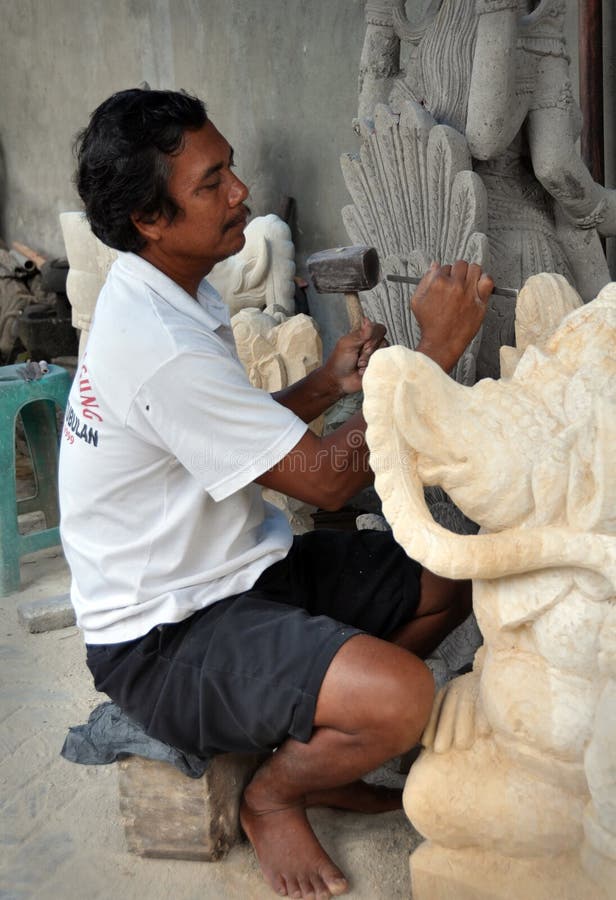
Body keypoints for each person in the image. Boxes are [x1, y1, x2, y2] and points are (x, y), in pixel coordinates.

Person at [59, 87, 493, 900]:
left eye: (231, 169)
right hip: (167, 635)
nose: (241, 195)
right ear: (150, 219)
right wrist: (431, 351)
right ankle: (275, 793)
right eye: (211, 182)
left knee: (450, 575)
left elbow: (218, 435)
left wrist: (323, 383)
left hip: (241, 572)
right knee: (405, 700)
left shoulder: (175, 288)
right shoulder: (155, 341)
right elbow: (328, 476)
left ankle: (324, 745)